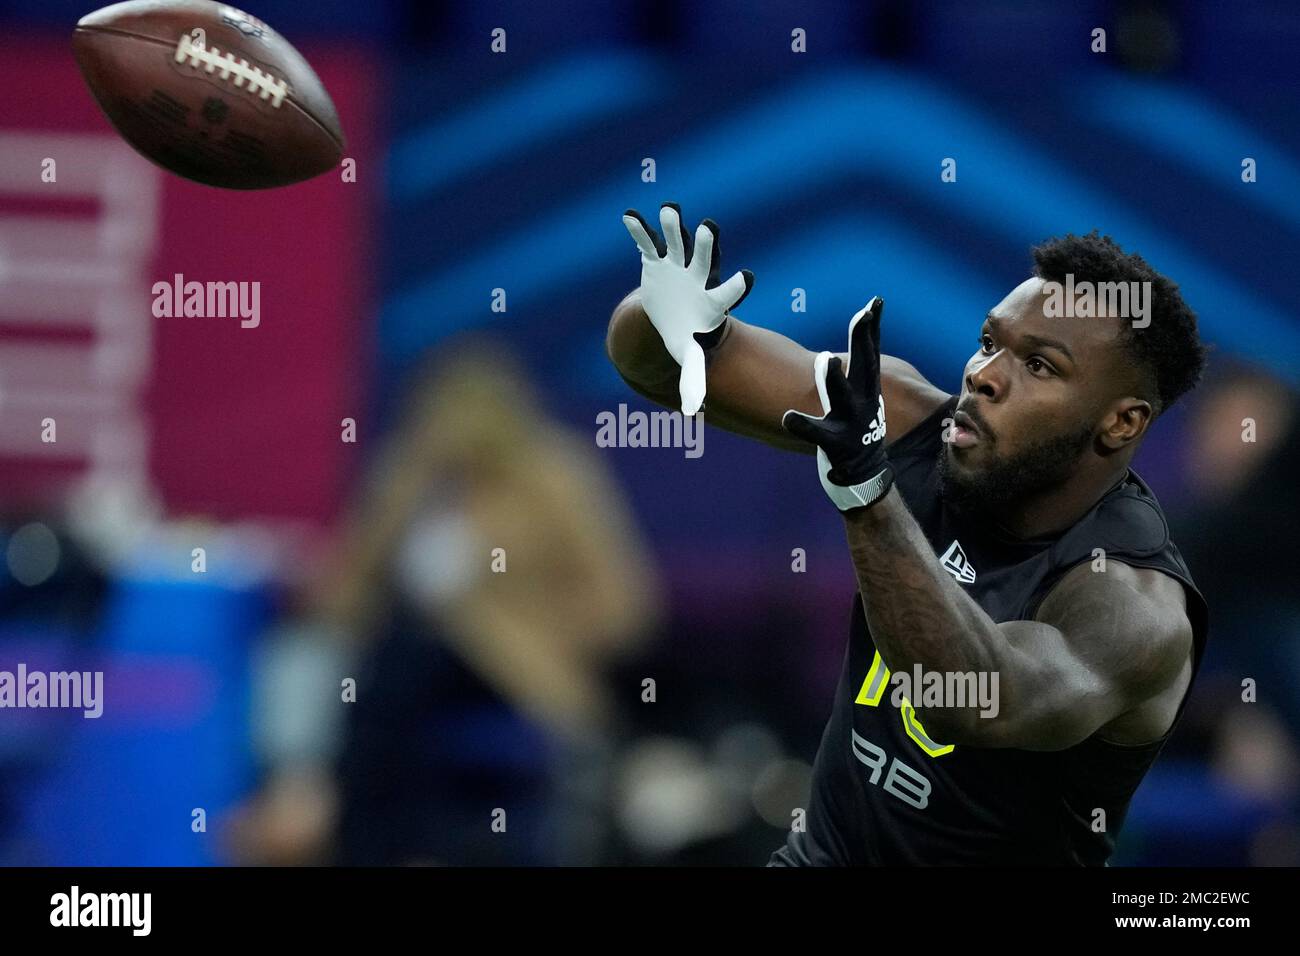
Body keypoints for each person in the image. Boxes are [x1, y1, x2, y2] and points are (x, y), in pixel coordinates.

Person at [608, 203, 1209, 865]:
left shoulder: (1132, 606)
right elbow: (664, 371)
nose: (983, 374)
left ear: (1122, 423)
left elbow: (979, 702)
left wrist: (868, 494)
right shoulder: (905, 421)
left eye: (1039, 366)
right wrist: (659, 319)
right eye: (989, 342)